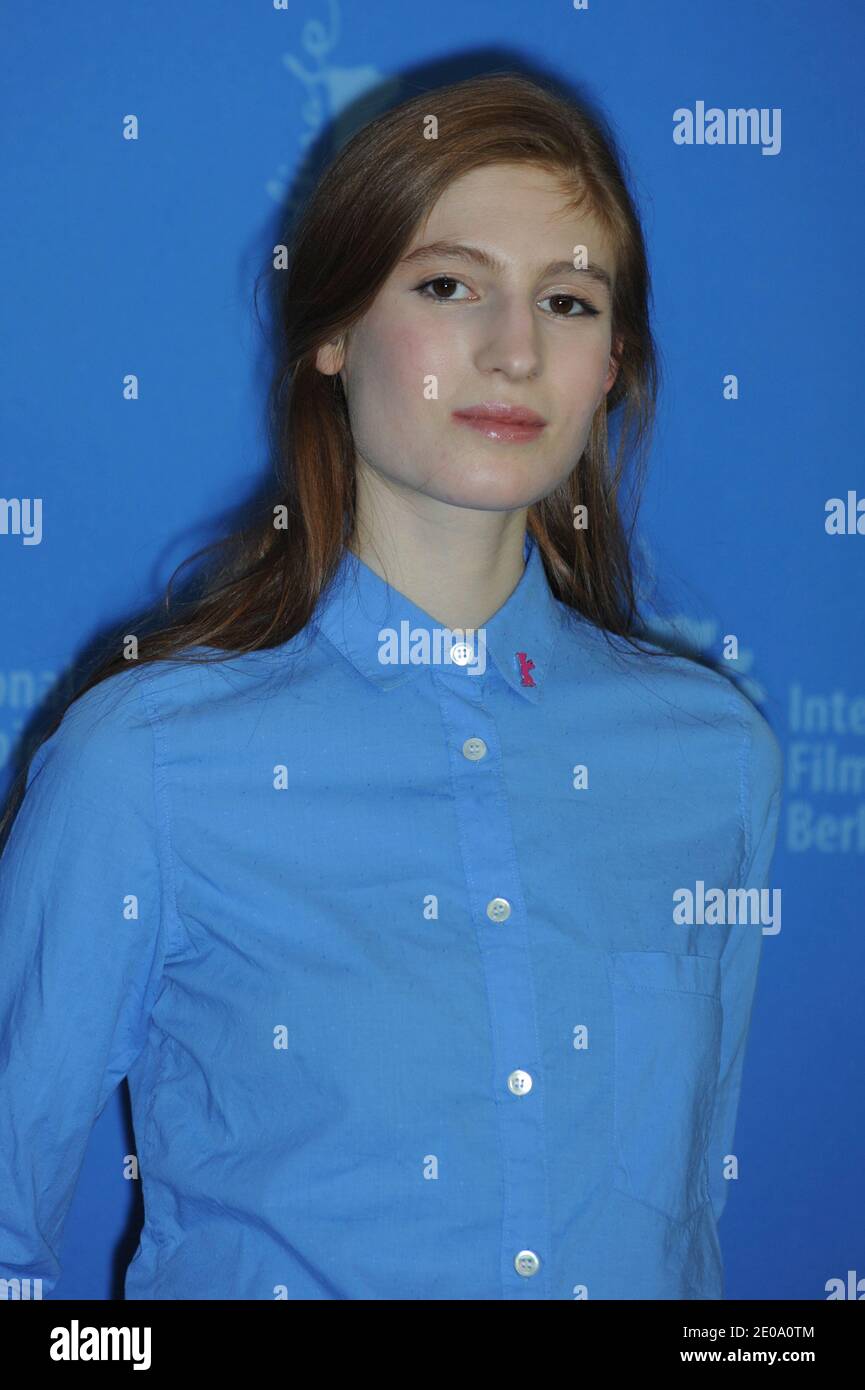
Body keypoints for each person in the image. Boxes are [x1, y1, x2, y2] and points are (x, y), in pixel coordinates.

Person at [0, 71, 782, 1301]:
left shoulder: (714, 759)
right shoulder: (144, 764)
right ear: (332, 329)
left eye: (568, 301)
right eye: (447, 284)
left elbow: (687, 1240)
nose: (514, 349)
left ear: (612, 365)